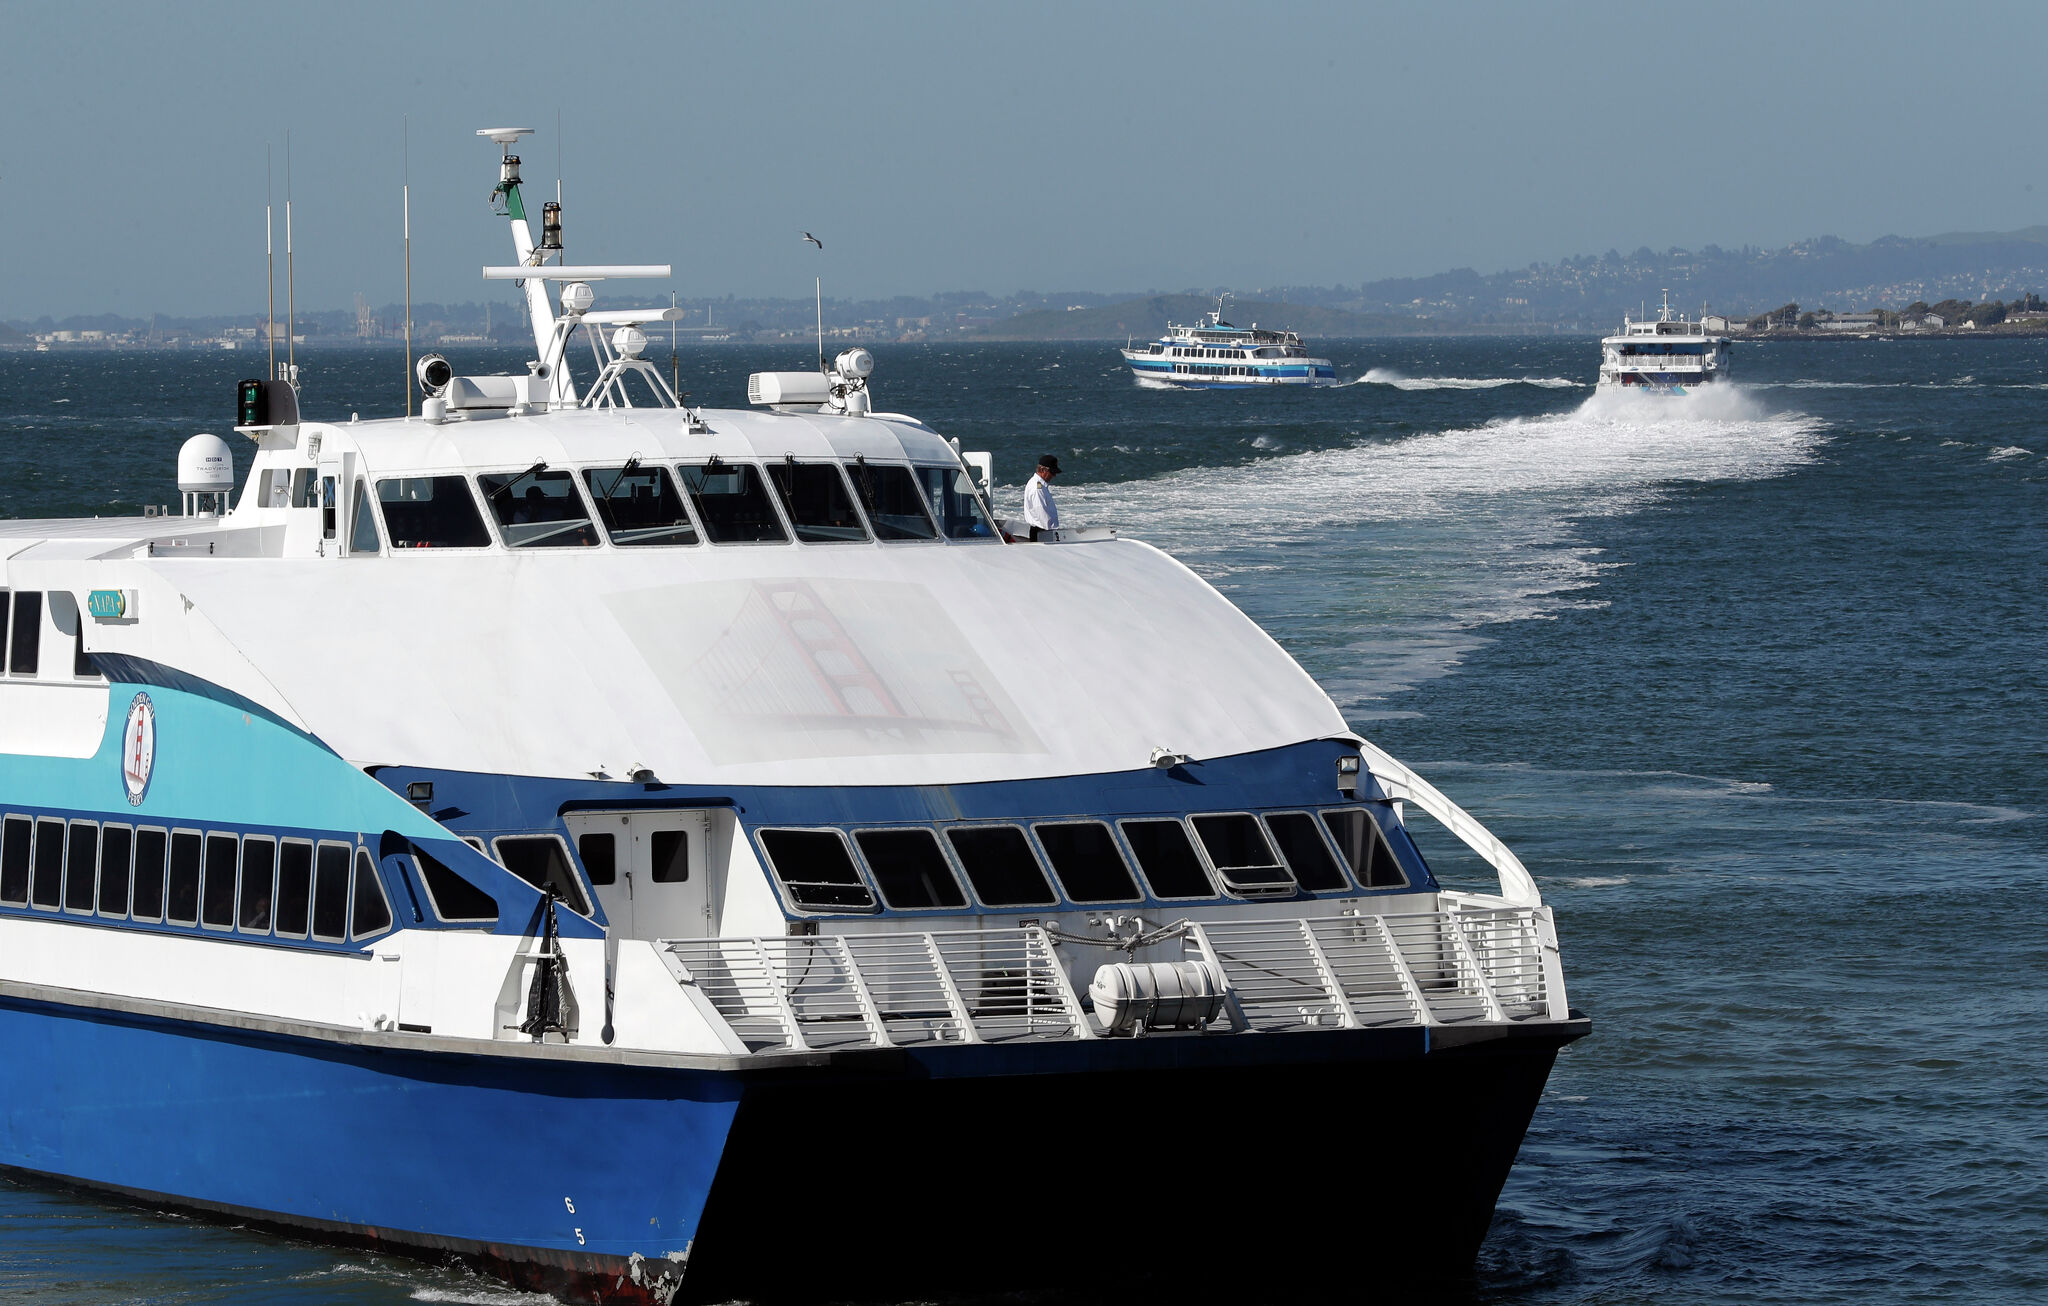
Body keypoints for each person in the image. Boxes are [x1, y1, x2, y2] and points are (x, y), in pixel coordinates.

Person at [1022, 455, 1061, 541]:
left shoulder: (1040, 485)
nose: (1054, 475)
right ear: (1043, 470)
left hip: (1043, 531)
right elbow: (1041, 512)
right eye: (1052, 472)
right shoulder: (1037, 488)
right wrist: (1053, 533)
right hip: (1042, 533)